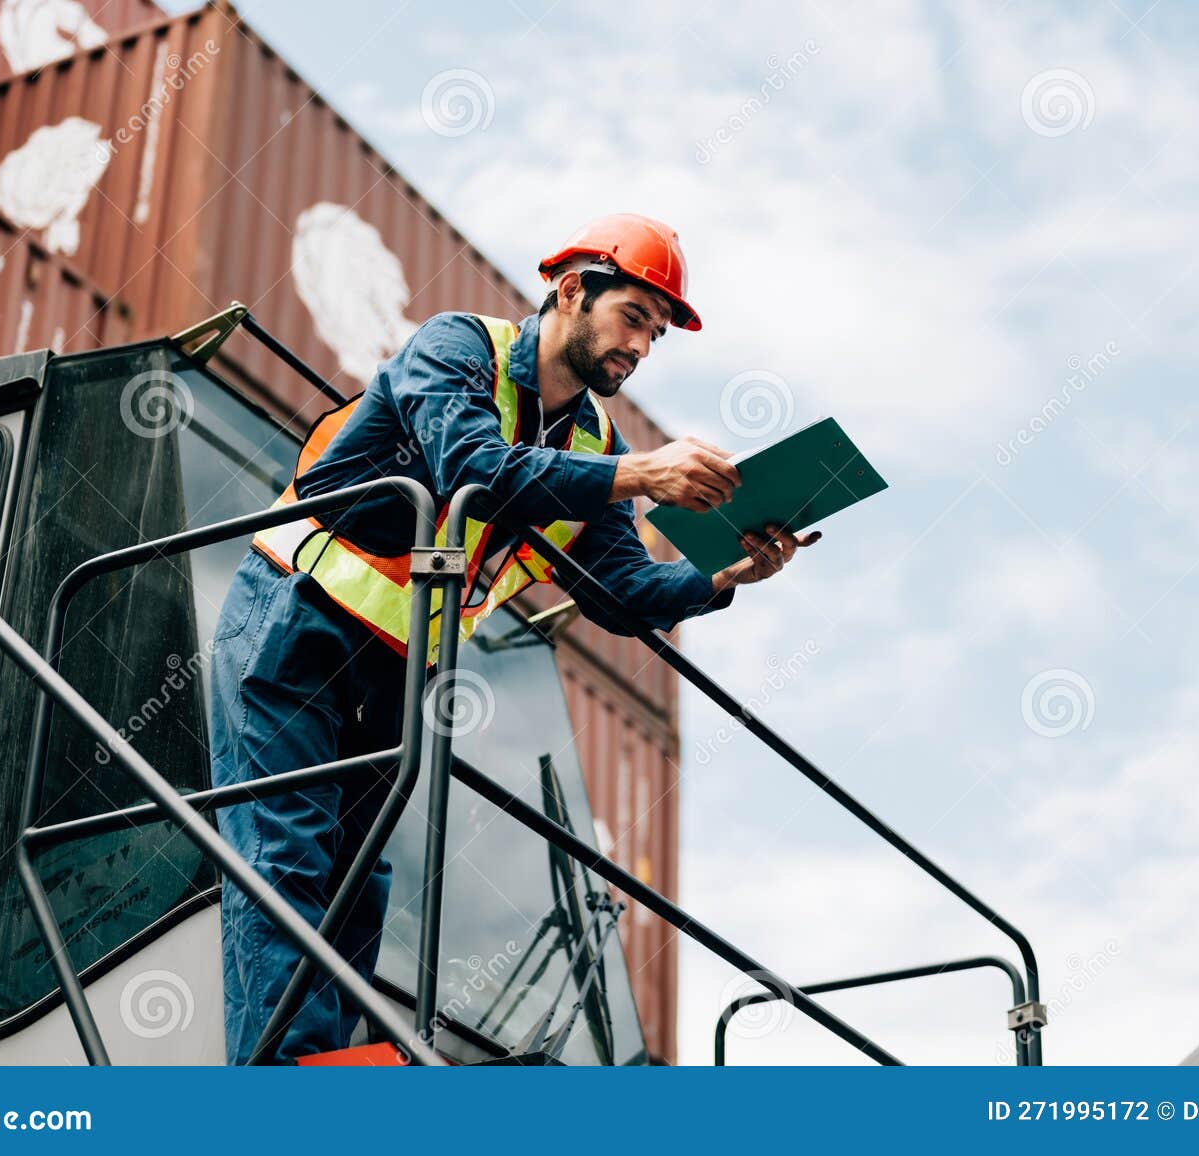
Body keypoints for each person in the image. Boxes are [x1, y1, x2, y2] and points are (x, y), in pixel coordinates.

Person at [207, 212, 819, 1064]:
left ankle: (326, 1074)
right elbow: (474, 469)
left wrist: (724, 576)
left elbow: (620, 594)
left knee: (358, 881)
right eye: (633, 317)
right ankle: (282, 1090)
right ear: (571, 292)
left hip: (395, 673)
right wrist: (638, 474)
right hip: (295, 622)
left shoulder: (595, 445)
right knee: (286, 855)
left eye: (655, 333)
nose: (641, 346)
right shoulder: (458, 349)